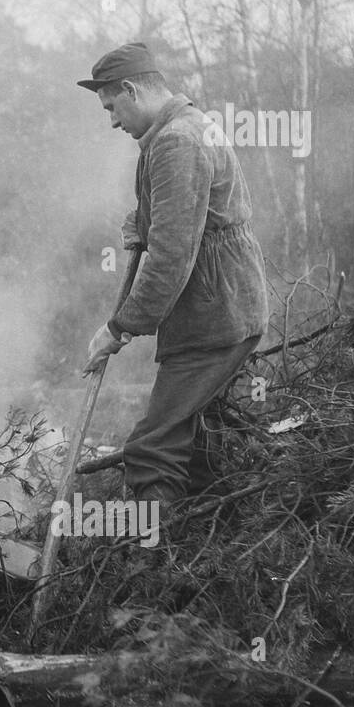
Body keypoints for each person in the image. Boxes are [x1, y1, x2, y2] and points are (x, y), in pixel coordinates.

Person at [78, 43, 268, 506]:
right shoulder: (180, 131)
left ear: (130, 89)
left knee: (152, 448)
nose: (113, 121)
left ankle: (148, 561)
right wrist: (140, 222)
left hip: (214, 318)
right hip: (222, 310)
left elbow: (171, 255)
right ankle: (208, 553)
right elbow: (175, 217)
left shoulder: (177, 142)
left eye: (112, 107)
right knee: (199, 443)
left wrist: (119, 327)